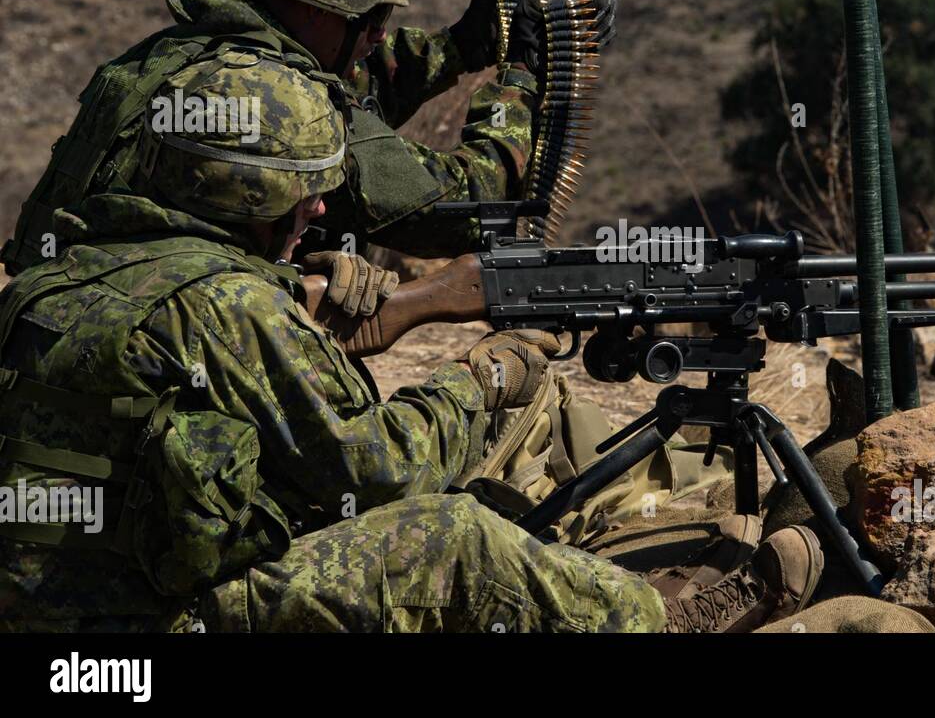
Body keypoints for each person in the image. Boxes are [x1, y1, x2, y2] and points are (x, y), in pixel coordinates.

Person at [0, 58, 824, 633]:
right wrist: (483, 373)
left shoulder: (57, 275)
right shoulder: (228, 307)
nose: (318, 211)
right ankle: (659, 624)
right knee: (454, 534)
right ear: (239, 188)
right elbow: (383, 470)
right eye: (302, 189)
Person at [2, 0, 616, 288]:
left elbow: (350, 90)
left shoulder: (174, 57)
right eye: (368, 16)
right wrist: (520, 82)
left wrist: (459, 47)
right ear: (316, 1)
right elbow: (468, 207)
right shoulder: (275, 105)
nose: (378, 33)